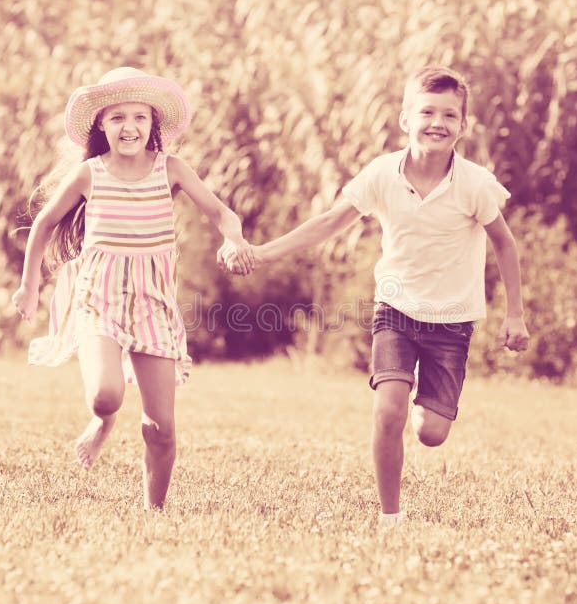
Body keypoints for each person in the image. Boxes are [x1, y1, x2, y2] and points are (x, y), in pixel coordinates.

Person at [220, 66, 529, 523]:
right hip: (396, 311)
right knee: (388, 412)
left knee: (431, 433)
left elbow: (504, 242)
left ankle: (427, 402)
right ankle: (390, 518)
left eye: (449, 115)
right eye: (427, 112)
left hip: (452, 319)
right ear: (406, 119)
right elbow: (329, 222)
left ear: (463, 125)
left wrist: (515, 314)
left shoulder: (475, 184)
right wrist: (263, 254)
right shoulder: (383, 173)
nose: (437, 123)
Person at [12, 67, 254, 509]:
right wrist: (29, 287)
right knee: (106, 394)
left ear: (153, 123)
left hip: (153, 303)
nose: (130, 127)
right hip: (99, 298)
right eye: (118, 117)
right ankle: (103, 421)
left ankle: (153, 513)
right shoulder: (90, 174)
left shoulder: (171, 169)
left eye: (140, 117)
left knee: (160, 429)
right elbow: (44, 224)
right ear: (101, 125)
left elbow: (223, 214)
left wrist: (233, 238)